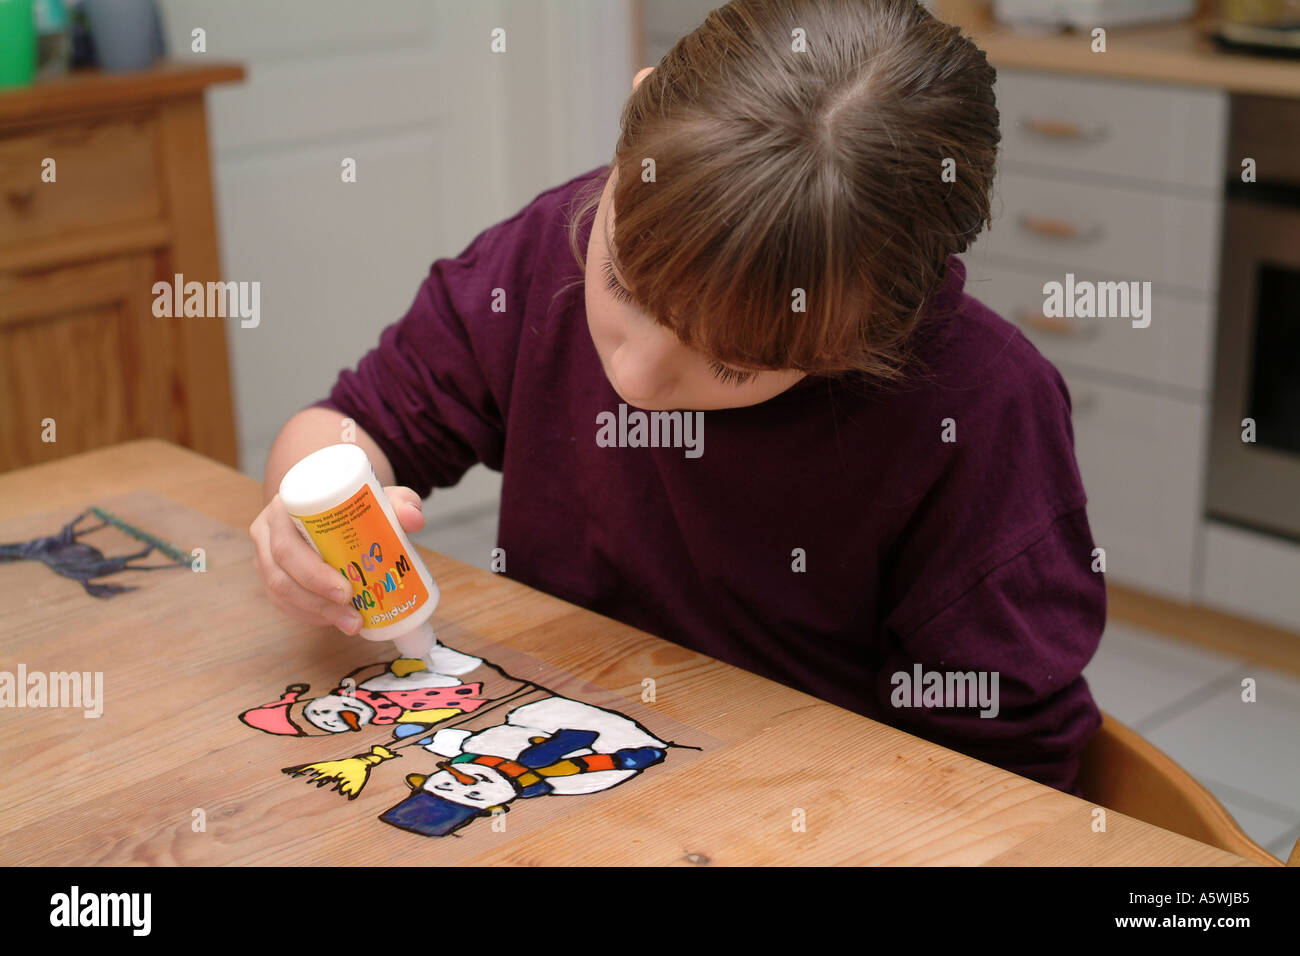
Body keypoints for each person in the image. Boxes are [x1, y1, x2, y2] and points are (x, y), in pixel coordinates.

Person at [250, 0, 1105, 794]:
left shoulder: (985, 412)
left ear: (878, 331)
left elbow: (1000, 776)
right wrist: (312, 506)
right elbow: (355, 423)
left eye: (732, 366)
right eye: (621, 281)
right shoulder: (546, 248)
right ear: (637, 114)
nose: (635, 379)